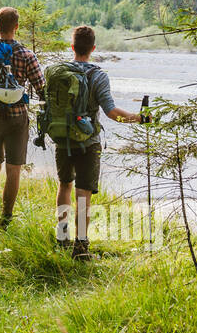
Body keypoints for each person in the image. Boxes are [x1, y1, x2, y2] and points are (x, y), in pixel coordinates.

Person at [55, 25, 145, 260]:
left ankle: (62, 239)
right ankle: (81, 250)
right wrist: (139, 118)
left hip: (62, 137)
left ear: (72, 47)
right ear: (93, 48)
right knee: (83, 193)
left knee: (65, 185)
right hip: (88, 141)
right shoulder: (98, 75)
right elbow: (111, 112)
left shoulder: (60, 72)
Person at [0, 7, 46, 227]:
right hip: (18, 117)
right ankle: (6, 216)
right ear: (17, 27)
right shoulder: (26, 55)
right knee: (14, 168)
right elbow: (41, 88)